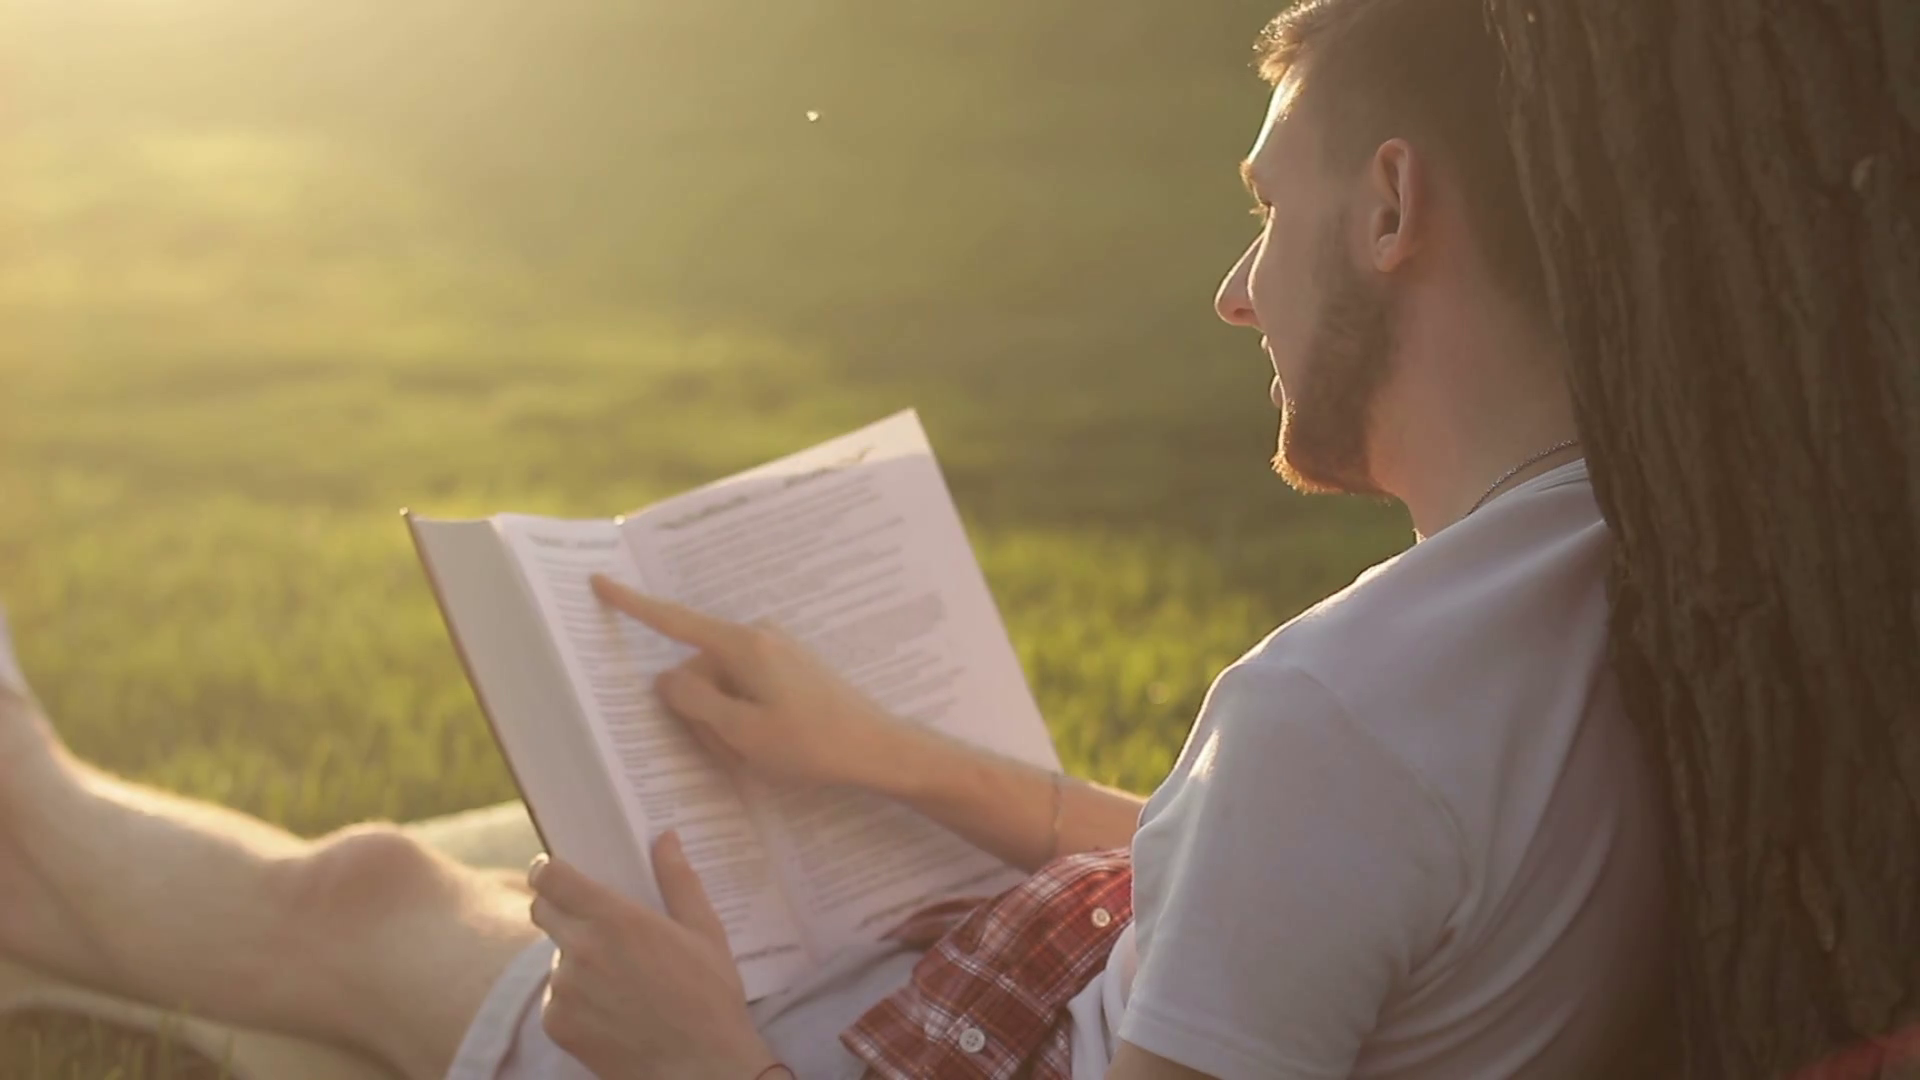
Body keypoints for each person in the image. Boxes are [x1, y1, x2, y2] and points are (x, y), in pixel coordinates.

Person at [0, 0, 1669, 1077]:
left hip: (870, 1052)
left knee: (369, 891)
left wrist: (698, 1055)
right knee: (531, 864)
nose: (1239, 293)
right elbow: (1287, 884)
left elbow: (1316, 829)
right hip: (1021, 977)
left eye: (1264, 207)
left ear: (1389, 208)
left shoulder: (1341, 717)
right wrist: (888, 756)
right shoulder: (1603, 573)